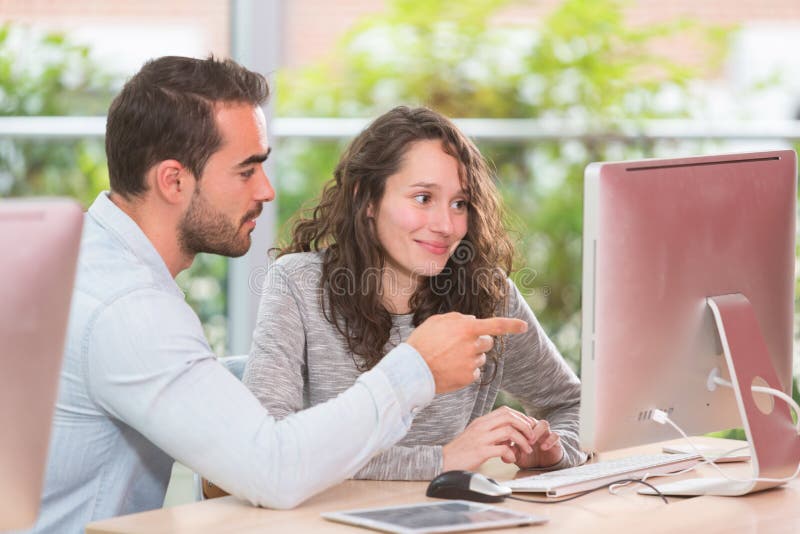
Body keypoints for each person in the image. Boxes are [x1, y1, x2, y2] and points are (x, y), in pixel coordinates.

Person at [24, 57, 528, 534]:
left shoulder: (84, 261)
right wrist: (416, 367)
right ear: (174, 181)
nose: (266, 189)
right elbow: (274, 472)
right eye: (246, 170)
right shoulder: (129, 308)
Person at [244, 106, 587, 480]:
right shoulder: (297, 286)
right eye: (423, 198)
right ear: (368, 199)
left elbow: (574, 404)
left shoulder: (487, 293)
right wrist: (444, 459)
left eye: (460, 204)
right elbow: (270, 451)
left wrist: (554, 452)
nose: (445, 225)